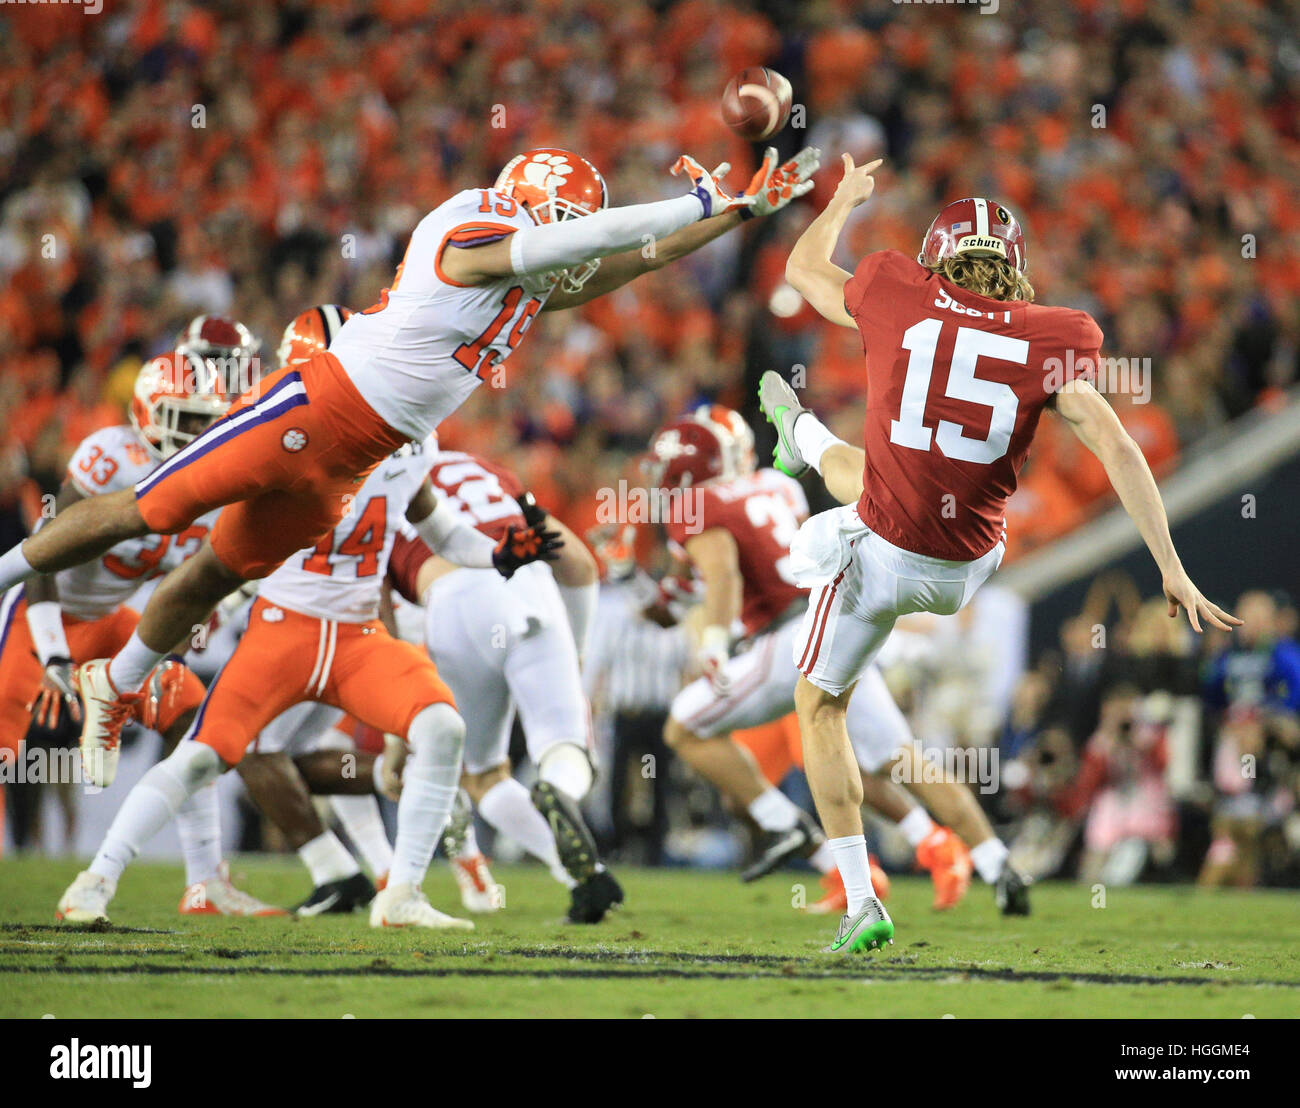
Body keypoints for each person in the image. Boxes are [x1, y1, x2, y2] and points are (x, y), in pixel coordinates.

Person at [0, 145, 820, 877]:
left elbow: (633, 258)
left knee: (218, 567)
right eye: (563, 218)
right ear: (524, 204)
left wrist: (739, 211)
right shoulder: (468, 227)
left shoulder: (531, 287)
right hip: (313, 409)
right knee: (150, 509)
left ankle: (120, 681)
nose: (574, 234)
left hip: (352, 462)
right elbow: (583, 242)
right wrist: (694, 201)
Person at [760, 154, 1240, 954]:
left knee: (820, 705)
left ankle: (858, 899)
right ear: (1014, 268)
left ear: (935, 257)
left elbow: (802, 269)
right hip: (970, 566)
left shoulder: (894, 291)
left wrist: (844, 197)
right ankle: (803, 435)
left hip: (883, 555)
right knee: (872, 480)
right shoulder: (1052, 335)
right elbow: (1120, 449)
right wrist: (1171, 563)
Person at [55, 430, 560, 927]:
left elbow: (443, 532)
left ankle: (401, 893)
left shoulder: (411, 440)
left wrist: (497, 554)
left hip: (358, 636)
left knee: (443, 728)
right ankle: (97, 878)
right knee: (200, 756)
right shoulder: (291, 428)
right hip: (283, 630)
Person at [651, 406, 980, 909]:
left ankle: (794, 834)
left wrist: (714, 646)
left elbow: (722, 578)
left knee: (687, 728)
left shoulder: (698, 506)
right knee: (881, 758)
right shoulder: (775, 485)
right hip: (834, 619)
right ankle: (943, 849)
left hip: (783, 643)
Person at [2, 328, 277, 915]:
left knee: (188, 709)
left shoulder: (209, 479)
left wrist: (162, 658)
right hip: (38, 617)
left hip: (108, 622)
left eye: (203, 420)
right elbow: (43, 556)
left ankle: (206, 880)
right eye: (182, 417)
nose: (195, 433)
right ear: (147, 413)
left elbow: (189, 590)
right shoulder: (111, 455)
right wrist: (54, 655)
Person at [386, 444, 623, 922]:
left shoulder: (373, 488)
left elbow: (383, 628)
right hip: (525, 582)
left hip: (447, 606)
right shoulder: (484, 470)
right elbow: (576, 561)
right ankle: (558, 785)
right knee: (565, 744)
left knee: (481, 775)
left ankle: (586, 875)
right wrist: (572, 656)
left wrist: (396, 730)